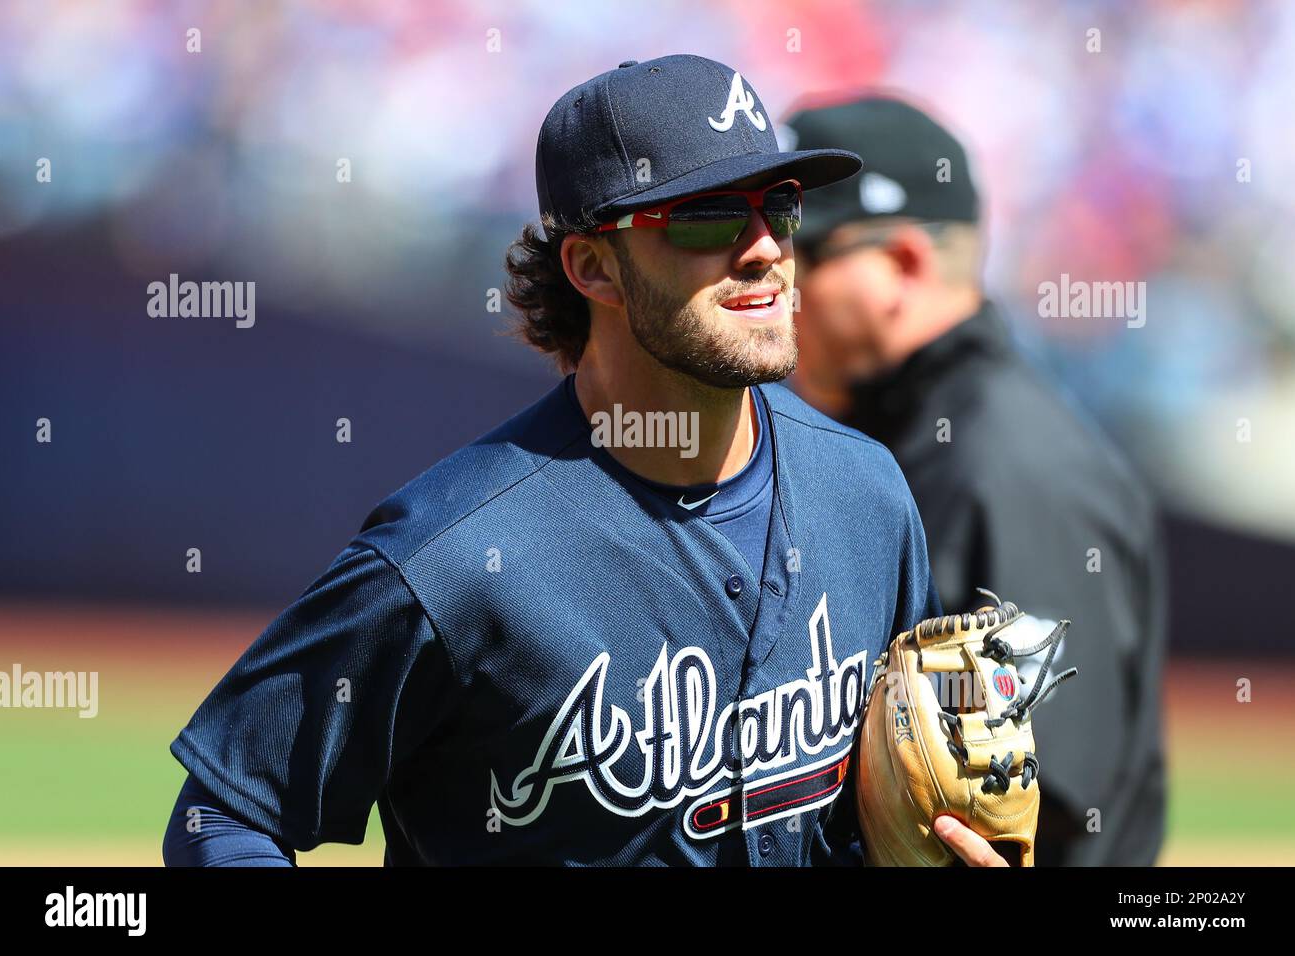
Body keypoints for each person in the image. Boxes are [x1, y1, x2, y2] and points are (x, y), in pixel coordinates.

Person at [162, 54, 1009, 868]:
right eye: (707, 215)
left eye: (779, 205)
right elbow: (225, 811)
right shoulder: (454, 556)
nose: (763, 249)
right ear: (593, 266)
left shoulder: (867, 493)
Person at [784, 95, 1168, 866]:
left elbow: (1035, 792)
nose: (773, 284)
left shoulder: (1006, 463)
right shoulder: (903, 437)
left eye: (804, 256)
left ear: (901, 264)